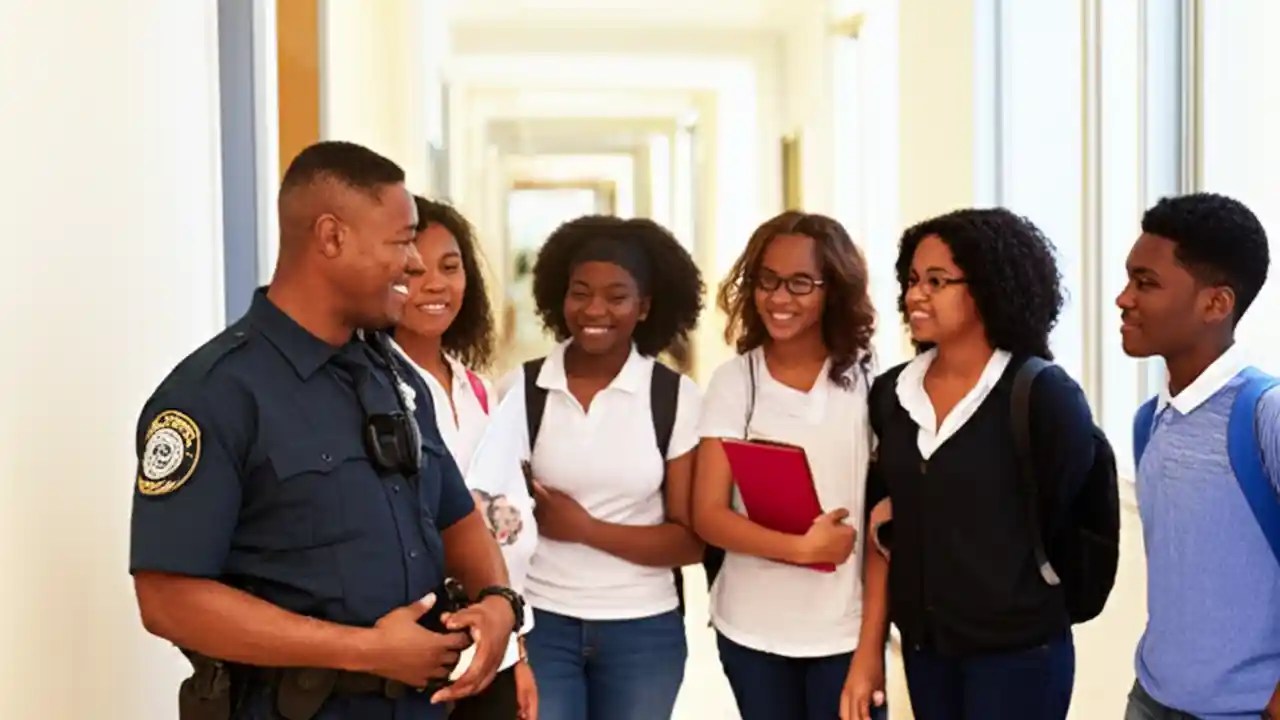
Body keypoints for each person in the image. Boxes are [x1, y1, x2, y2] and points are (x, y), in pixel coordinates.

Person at [129, 141, 523, 720]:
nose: (415, 263)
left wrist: (497, 602)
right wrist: (366, 651)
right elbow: (167, 599)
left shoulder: (386, 373)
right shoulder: (214, 394)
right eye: (401, 241)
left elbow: (455, 513)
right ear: (332, 237)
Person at [861, 208, 1096, 719]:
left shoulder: (1041, 395)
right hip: (927, 652)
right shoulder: (891, 394)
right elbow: (886, 507)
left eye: (937, 281)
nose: (915, 295)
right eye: (913, 279)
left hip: (1019, 656)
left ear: (988, 287)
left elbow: (1074, 516)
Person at [497, 215, 705, 720]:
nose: (595, 310)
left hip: (643, 631)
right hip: (541, 623)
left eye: (617, 296)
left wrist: (585, 528)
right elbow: (496, 519)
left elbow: (690, 541)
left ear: (645, 306)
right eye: (580, 293)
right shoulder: (520, 390)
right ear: (559, 297)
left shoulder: (673, 397)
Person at [689, 211, 885, 720]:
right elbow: (707, 514)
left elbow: (885, 527)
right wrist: (801, 549)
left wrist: (871, 652)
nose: (779, 298)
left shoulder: (870, 381)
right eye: (767, 281)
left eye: (801, 283)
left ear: (833, 288)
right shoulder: (736, 382)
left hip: (844, 634)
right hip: (751, 632)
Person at [1117, 193, 1280, 720]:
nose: (1123, 299)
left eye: (1146, 283)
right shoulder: (1150, 420)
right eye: (1128, 279)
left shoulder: (1265, 415)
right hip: (1149, 700)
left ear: (1216, 304)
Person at [390, 196, 539, 720]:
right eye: (414, 268)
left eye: (450, 268)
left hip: (489, 645)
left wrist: (517, 650)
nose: (434, 284)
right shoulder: (373, 382)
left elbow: (505, 522)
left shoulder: (478, 390)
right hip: (419, 650)